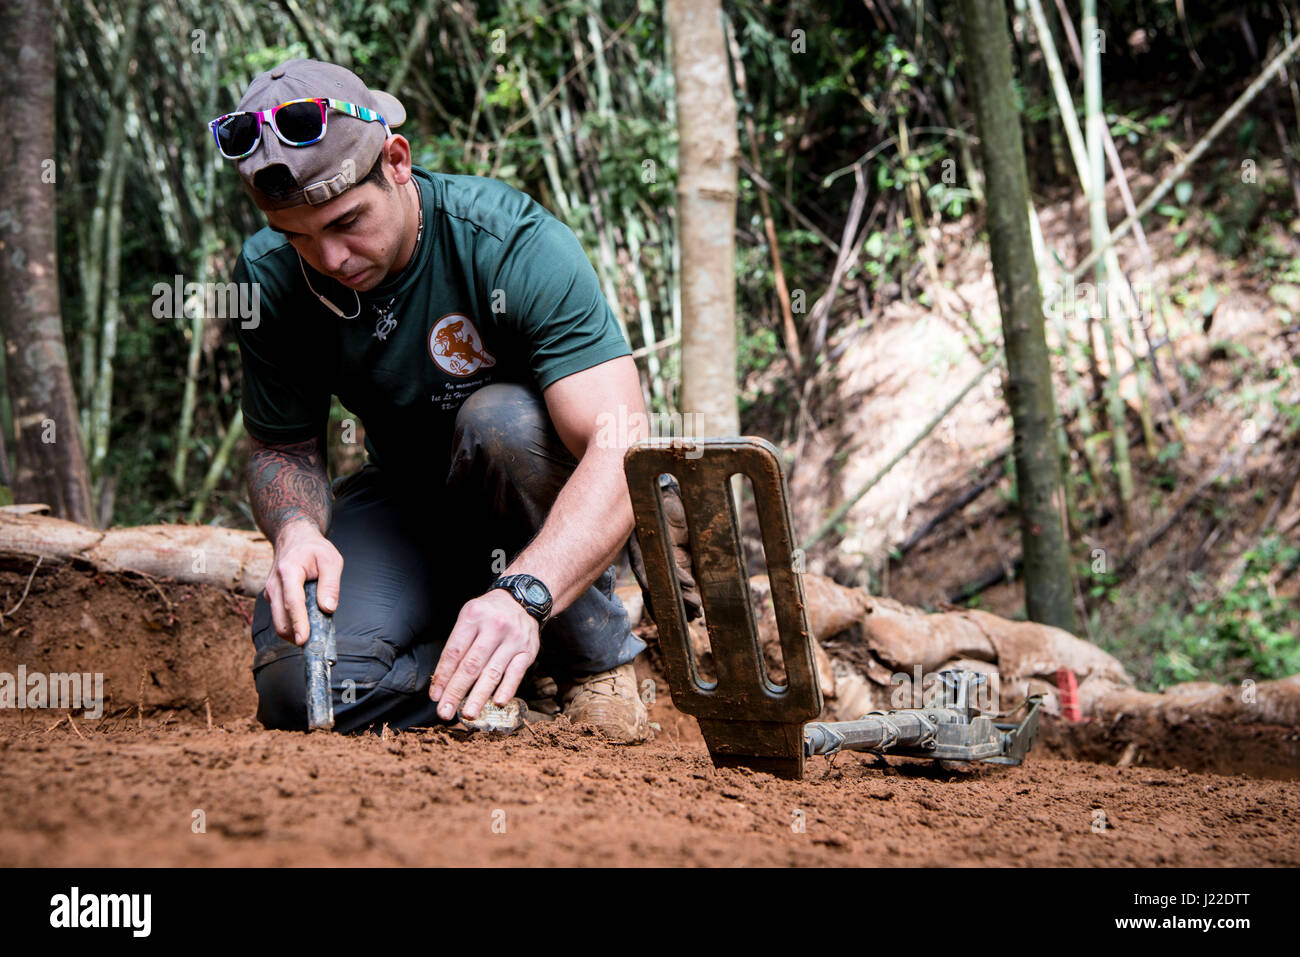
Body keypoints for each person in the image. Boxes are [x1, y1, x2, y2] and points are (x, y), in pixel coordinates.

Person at [215, 58, 697, 742]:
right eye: (300, 237)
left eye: (348, 221)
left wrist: (525, 593)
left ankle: (593, 664)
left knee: (497, 420)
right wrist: (295, 529)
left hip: (536, 501)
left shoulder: (512, 245)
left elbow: (621, 444)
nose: (331, 257)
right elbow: (282, 445)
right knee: (305, 689)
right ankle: (498, 689)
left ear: (397, 160)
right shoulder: (271, 279)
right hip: (411, 500)